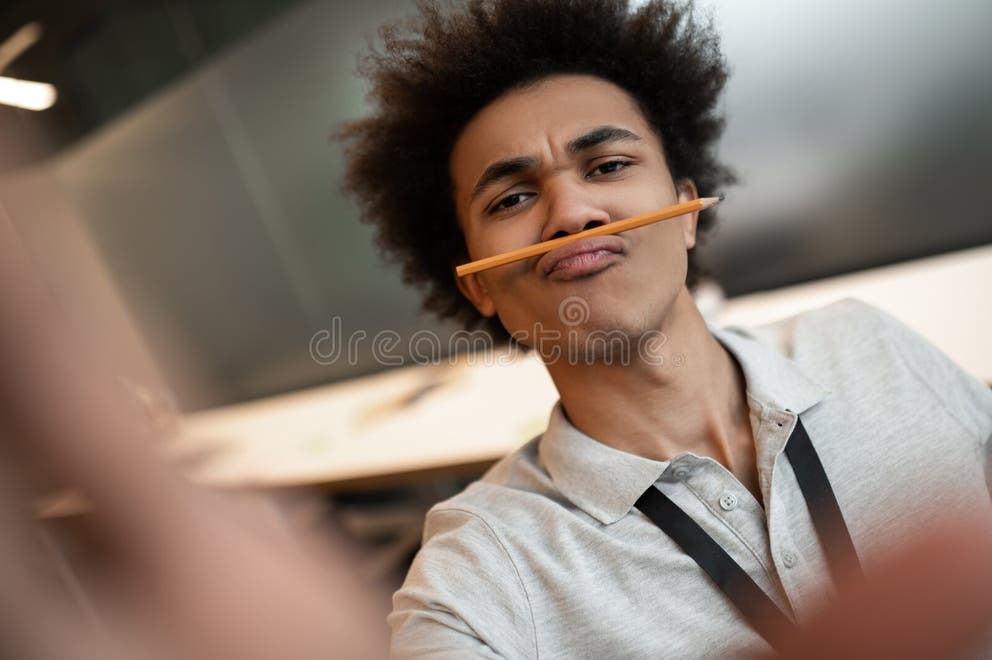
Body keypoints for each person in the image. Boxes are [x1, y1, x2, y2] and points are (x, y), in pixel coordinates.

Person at [338, 0, 992, 657]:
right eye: (512, 199)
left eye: (608, 166)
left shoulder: (869, 344)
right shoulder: (478, 576)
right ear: (477, 284)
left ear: (686, 210)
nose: (572, 213)